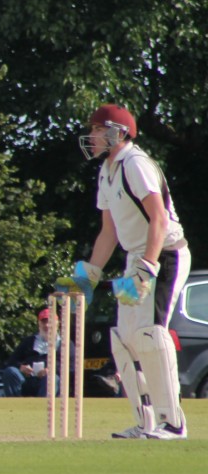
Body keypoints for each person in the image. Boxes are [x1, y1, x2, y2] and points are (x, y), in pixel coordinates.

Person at [58, 103, 191, 439]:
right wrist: (87, 277)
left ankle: (172, 422)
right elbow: (109, 232)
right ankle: (145, 422)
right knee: (124, 339)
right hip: (135, 258)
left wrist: (148, 266)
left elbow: (159, 218)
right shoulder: (107, 170)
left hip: (165, 255)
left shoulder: (136, 164)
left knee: (150, 334)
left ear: (117, 132)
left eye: (97, 129)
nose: (91, 136)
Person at [0, 307, 70, 397]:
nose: (47, 325)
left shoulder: (65, 344)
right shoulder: (28, 341)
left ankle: (44, 407)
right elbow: (11, 361)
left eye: (50, 322)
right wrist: (21, 367)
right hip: (27, 379)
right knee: (10, 371)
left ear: (57, 324)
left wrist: (51, 370)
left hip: (48, 381)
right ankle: (14, 406)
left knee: (51, 378)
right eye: (44, 322)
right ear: (39, 324)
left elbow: (71, 366)